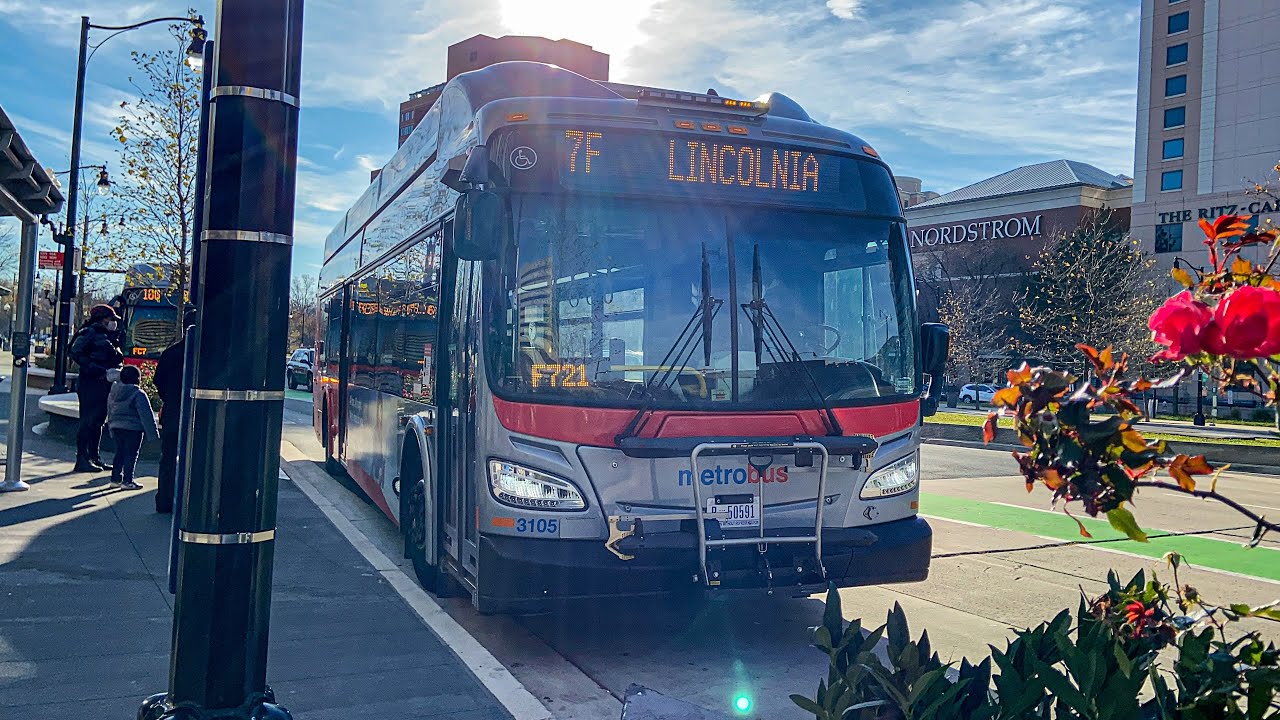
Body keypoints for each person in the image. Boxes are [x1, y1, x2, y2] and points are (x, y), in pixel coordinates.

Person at [70, 304, 125, 472]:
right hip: (91, 383)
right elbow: (75, 352)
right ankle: (82, 458)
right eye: (110, 319)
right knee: (88, 420)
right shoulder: (88, 333)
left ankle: (94, 456)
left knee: (98, 421)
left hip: (103, 383)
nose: (113, 323)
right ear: (101, 319)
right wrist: (96, 369)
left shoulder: (107, 336)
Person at [152, 311, 193, 513]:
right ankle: (190, 502)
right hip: (196, 417)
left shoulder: (170, 354)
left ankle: (164, 500)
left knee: (168, 458)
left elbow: (157, 381)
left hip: (172, 413)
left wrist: (169, 398)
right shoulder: (205, 356)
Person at [106, 365, 159, 490]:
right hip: (133, 429)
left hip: (117, 426)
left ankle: (115, 479)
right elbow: (146, 415)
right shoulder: (138, 394)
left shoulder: (114, 391)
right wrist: (153, 434)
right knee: (131, 454)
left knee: (119, 453)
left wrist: (111, 426)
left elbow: (110, 409)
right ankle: (128, 480)